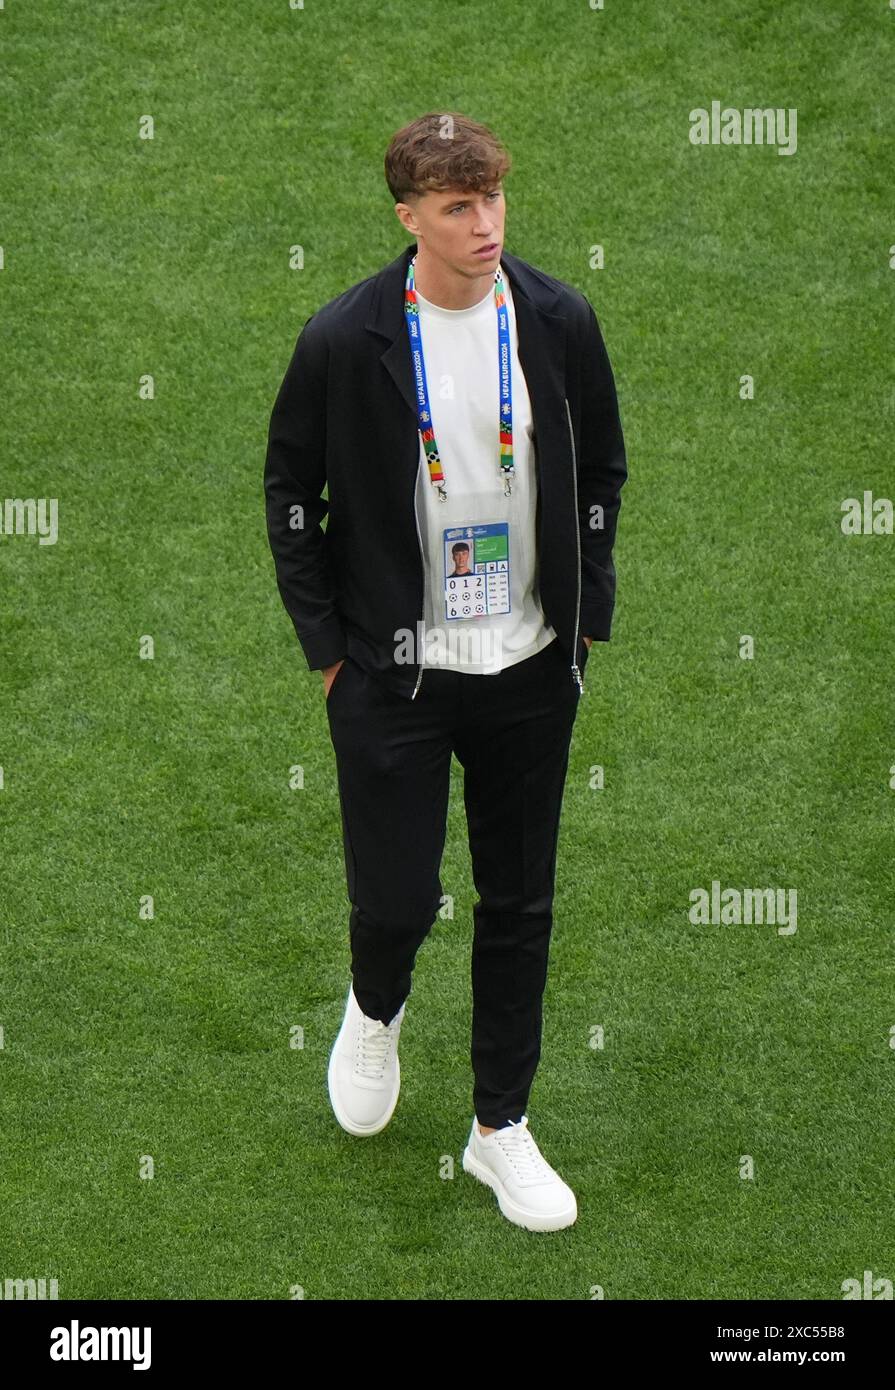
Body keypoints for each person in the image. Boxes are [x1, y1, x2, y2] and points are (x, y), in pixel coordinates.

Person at [264, 111, 627, 1233]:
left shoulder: (559, 319)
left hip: (525, 670)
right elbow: (290, 500)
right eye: (458, 207)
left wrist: (582, 626)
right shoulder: (346, 337)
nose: (485, 225)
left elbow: (603, 469)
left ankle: (498, 1129)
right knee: (396, 897)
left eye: (495, 201)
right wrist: (332, 655)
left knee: (517, 902)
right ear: (408, 216)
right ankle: (374, 1012)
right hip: (396, 677)